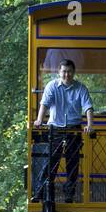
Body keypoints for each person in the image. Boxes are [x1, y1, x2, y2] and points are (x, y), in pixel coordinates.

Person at [33, 59, 94, 204]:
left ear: (74, 72)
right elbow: (44, 104)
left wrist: (90, 124)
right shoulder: (52, 86)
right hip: (56, 129)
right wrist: (39, 119)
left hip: (74, 129)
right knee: (51, 161)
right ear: (59, 72)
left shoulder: (81, 88)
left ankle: (69, 195)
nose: (67, 74)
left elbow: (88, 107)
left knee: (72, 163)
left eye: (69, 71)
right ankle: (42, 193)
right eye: (64, 71)